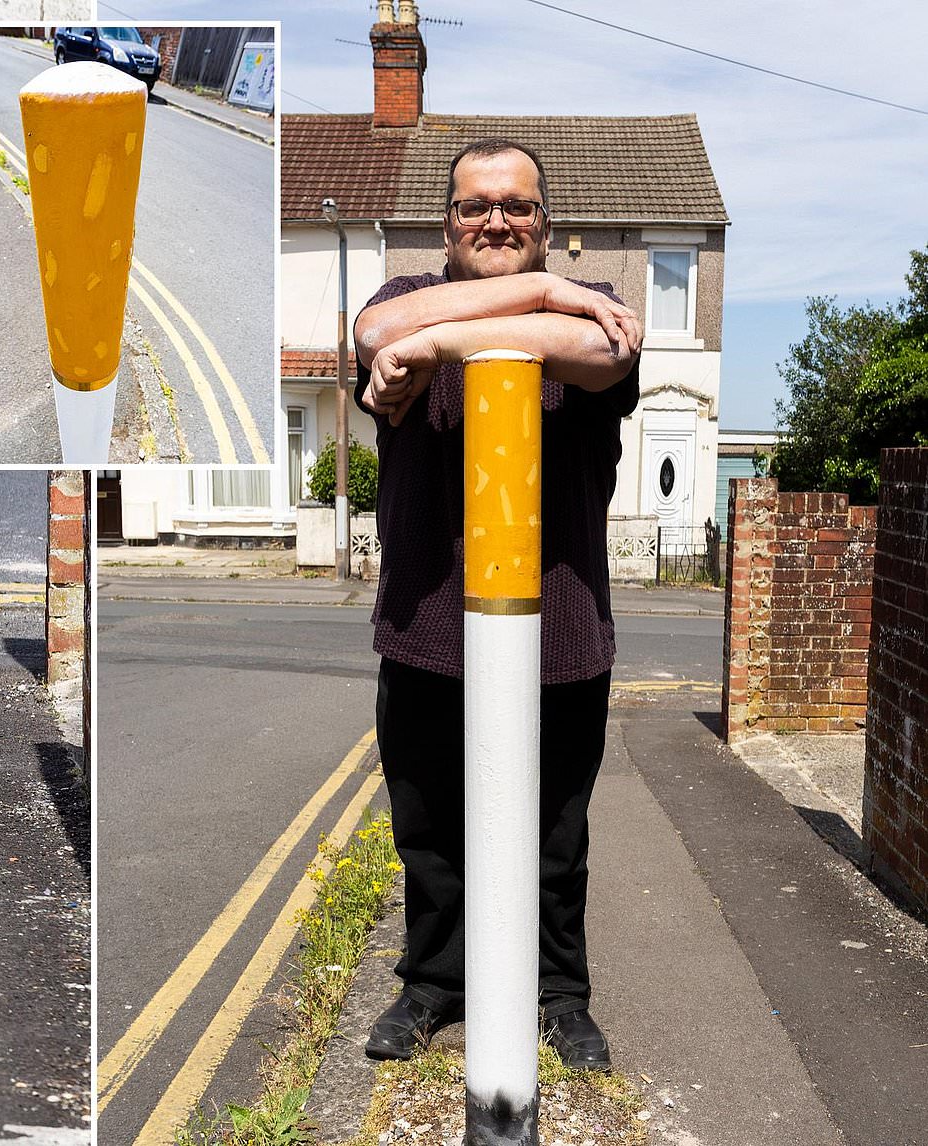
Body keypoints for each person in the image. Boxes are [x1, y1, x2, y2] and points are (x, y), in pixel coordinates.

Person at [349, 138, 643, 1070]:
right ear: (448, 225)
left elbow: (594, 351)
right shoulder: (400, 297)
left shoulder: (601, 316)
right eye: (477, 206)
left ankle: (561, 996)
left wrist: (438, 346)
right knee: (429, 836)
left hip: (561, 639)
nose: (497, 220)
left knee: (557, 841)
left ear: (545, 224)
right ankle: (435, 985)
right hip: (426, 635)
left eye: (517, 206)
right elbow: (372, 336)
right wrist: (547, 293)